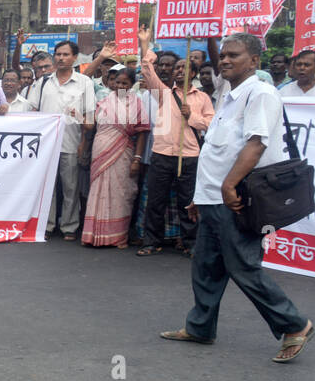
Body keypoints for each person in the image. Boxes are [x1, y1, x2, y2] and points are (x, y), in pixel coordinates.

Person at [159, 33, 313, 363]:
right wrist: (202, 196)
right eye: (223, 55)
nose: (225, 60)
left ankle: (294, 324)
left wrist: (229, 187)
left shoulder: (262, 94)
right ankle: (200, 327)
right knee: (205, 266)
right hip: (215, 197)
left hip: (237, 198)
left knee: (242, 266)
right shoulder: (229, 95)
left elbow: (255, 145)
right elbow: (218, 151)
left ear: (255, 61)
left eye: (234, 55)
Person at [135, 27, 213, 256]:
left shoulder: (203, 98)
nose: (179, 71)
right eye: (177, 68)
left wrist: (193, 117)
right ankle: (151, 241)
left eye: (183, 67)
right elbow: (148, 70)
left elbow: (211, 124)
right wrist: (144, 44)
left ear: (194, 72)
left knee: (187, 202)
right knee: (155, 202)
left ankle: (190, 243)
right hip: (162, 154)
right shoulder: (164, 94)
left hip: (188, 156)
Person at [27, 40, 96, 241]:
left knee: (70, 187)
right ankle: (46, 224)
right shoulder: (43, 82)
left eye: (66, 55)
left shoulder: (85, 82)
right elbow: (32, 111)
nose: (61, 58)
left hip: (71, 142)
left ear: (75, 58)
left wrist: (82, 132)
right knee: (46, 187)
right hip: (46, 146)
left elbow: (90, 121)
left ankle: (69, 226)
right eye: (58, 54)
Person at [81, 67, 150, 248]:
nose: (119, 86)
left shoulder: (137, 103)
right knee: (98, 191)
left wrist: (137, 158)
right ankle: (93, 234)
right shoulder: (103, 102)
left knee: (122, 193)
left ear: (131, 85)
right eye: (117, 82)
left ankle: (118, 236)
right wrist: (76, 116)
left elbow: (142, 133)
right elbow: (90, 126)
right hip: (100, 150)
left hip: (123, 152)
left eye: (124, 83)